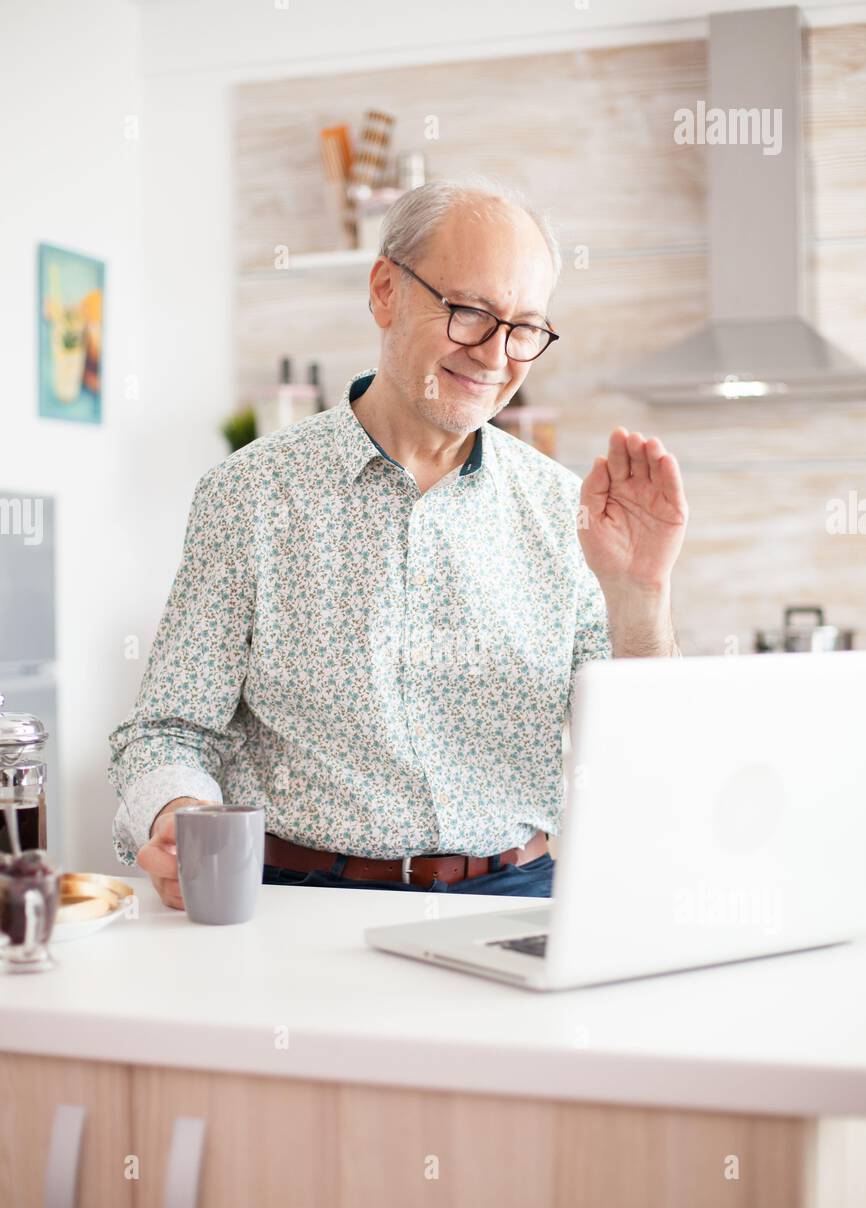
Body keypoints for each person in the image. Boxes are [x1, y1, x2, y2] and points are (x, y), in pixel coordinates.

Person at [107, 175, 687, 908]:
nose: (495, 354)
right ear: (385, 290)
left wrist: (641, 595)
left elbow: (643, 751)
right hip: (300, 900)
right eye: (471, 312)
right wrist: (179, 815)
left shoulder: (563, 509)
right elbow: (166, 732)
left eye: (525, 328)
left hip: (518, 897)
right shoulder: (250, 494)